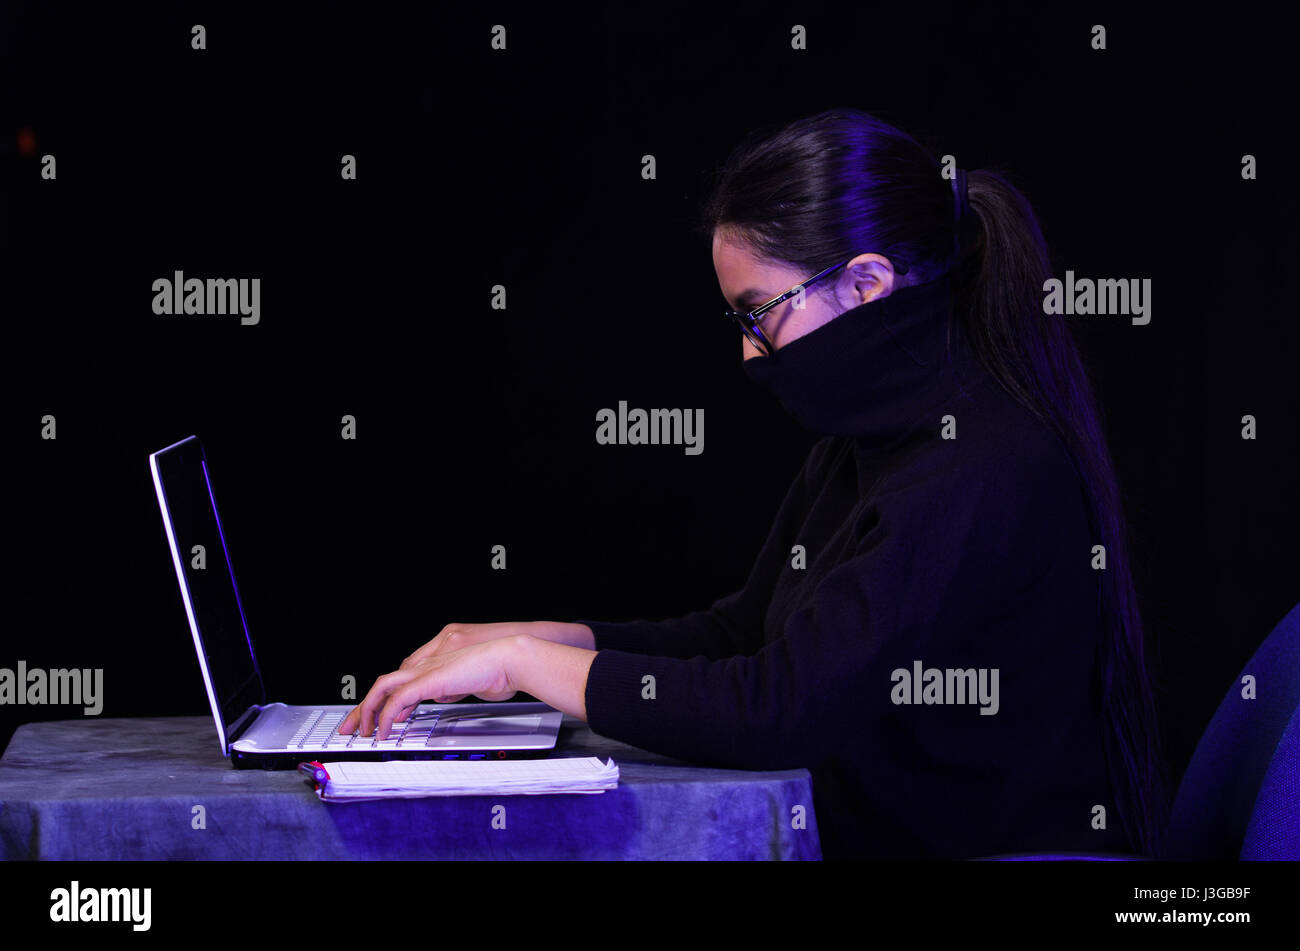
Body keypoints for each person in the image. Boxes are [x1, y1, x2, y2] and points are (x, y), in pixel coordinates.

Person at [338, 108, 1168, 860]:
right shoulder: (866, 445)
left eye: (759, 314)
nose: (747, 354)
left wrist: (526, 663)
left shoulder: (980, 465)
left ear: (867, 284)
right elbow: (746, 635)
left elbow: (784, 708)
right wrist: (547, 636)